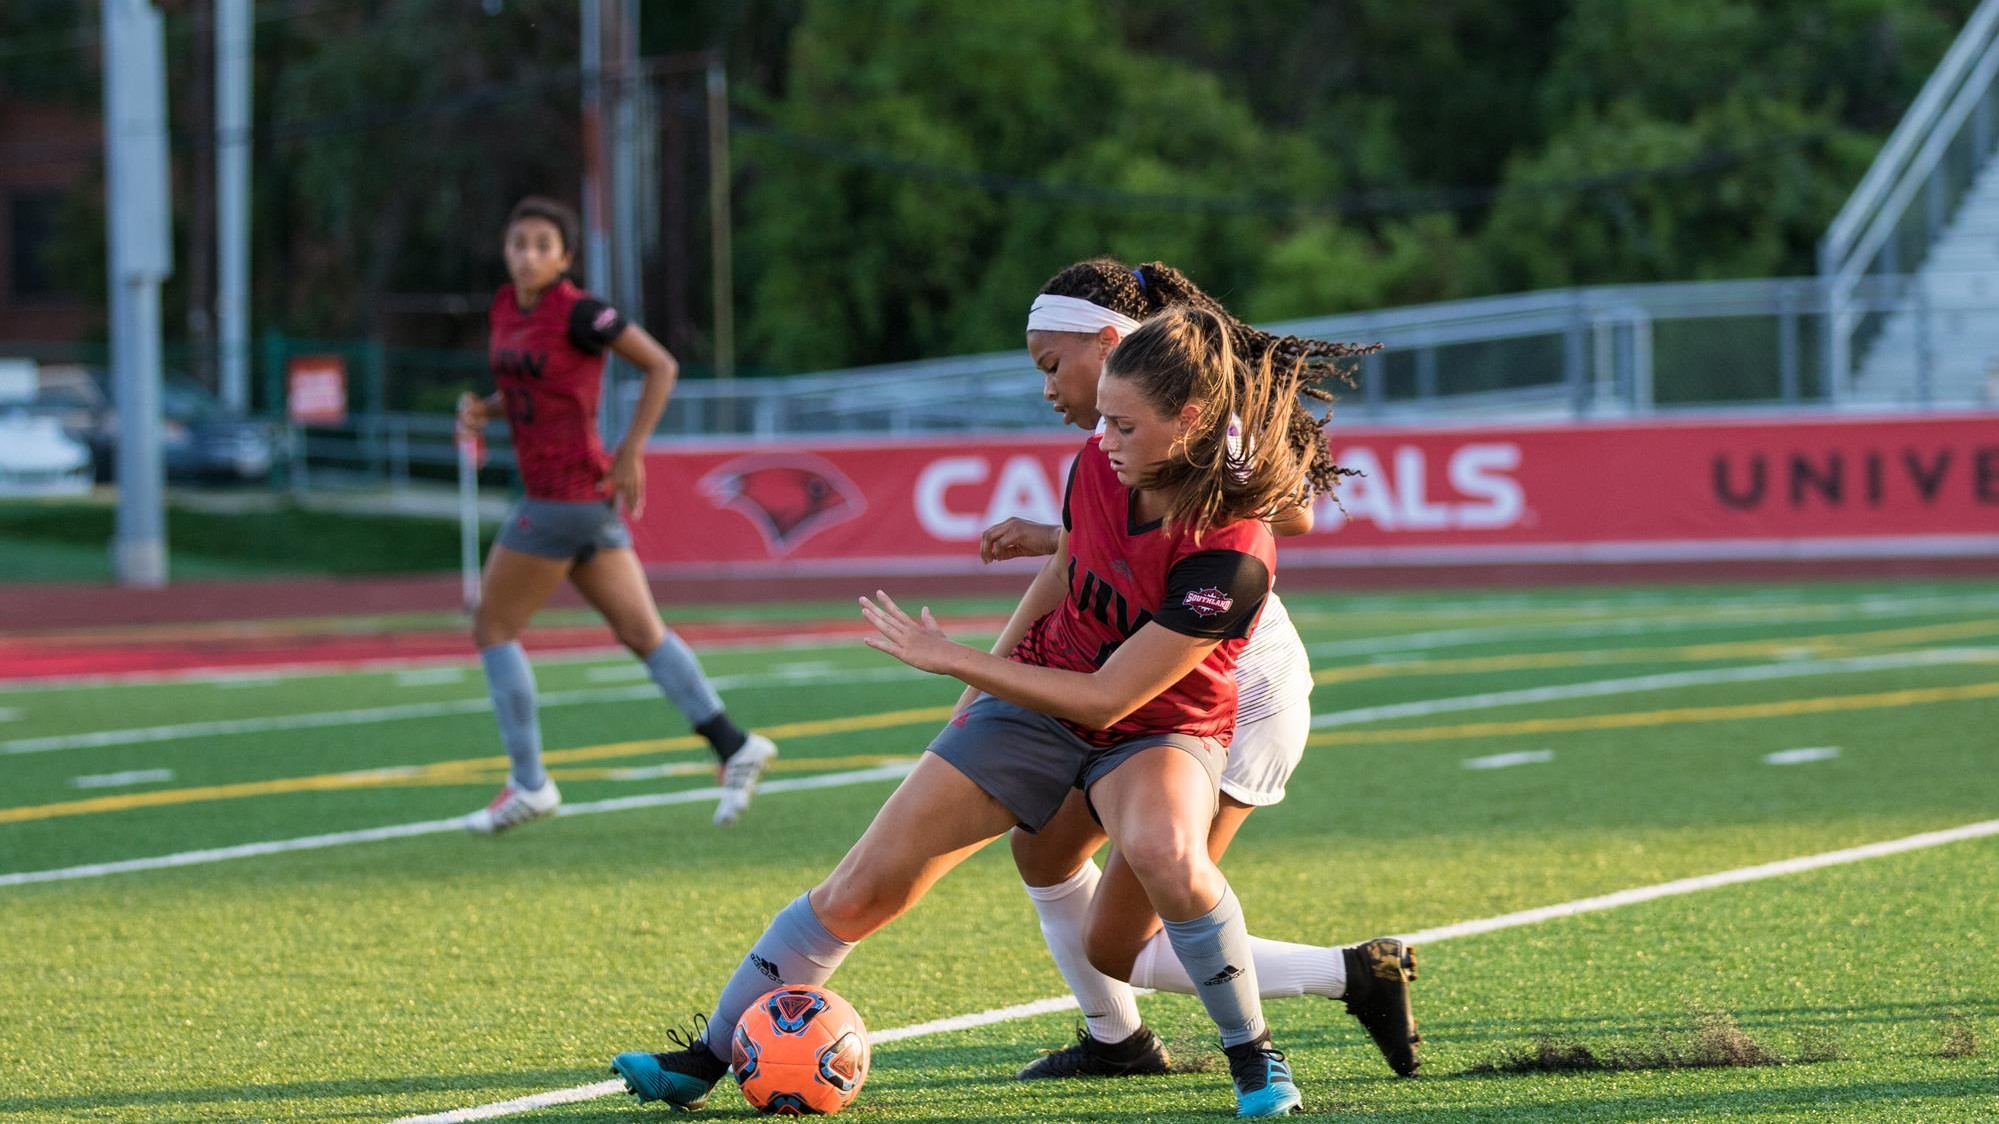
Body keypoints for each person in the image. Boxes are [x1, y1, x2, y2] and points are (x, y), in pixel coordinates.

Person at [610, 304, 1345, 1117]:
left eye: (1123, 425)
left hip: (1159, 726)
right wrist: (979, 693)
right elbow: (1068, 574)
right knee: (862, 886)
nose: (1100, 437)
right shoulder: (1098, 467)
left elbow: (1114, 698)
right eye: (1101, 417)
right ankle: (706, 1058)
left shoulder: (1233, 555)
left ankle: (1255, 1059)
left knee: (1167, 854)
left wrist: (955, 658)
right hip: (1041, 698)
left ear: (1191, 420)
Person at [979, 259, 1421, 1082]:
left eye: (1050, 364)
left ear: (1112, 345)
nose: (1045, 387)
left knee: (1125, 937)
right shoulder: (1114, 439)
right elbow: (1082, 564)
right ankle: (1116, 1041)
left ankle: (1354, 974)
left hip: (1233, 692)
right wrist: (1049, 550)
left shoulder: (1188, 419)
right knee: (1039, 851)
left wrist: (1220, 446)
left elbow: (1291, 511)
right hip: (1150, 688)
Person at [456, 196, 775, 834]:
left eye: (543, 244)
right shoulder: (503, 308)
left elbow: (661, 365)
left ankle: (529, 782)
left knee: (492, 625)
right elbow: (531, 387)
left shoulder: (579, 312)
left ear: (565, 257)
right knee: (643, 633)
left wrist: (631, 451)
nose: (528, 255)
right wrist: (486, 411)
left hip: (562, 495)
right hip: (582, 505)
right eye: (519, 242)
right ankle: (733, 744)